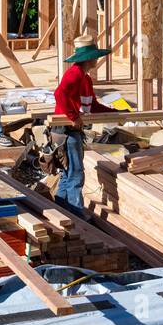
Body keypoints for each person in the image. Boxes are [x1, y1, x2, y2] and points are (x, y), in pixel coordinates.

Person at [52, 34, 110, 213]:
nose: (97, 58)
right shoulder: (75, 74)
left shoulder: (85, 79)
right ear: (89, 58)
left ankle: (60, 209)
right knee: (75, 172)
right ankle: (77, 215)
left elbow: (92, 105)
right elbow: (59, 94)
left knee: (68, 173)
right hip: (66, 130)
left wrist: (115, 112)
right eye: (95, 56)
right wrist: (73, 117)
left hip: (68, 130)